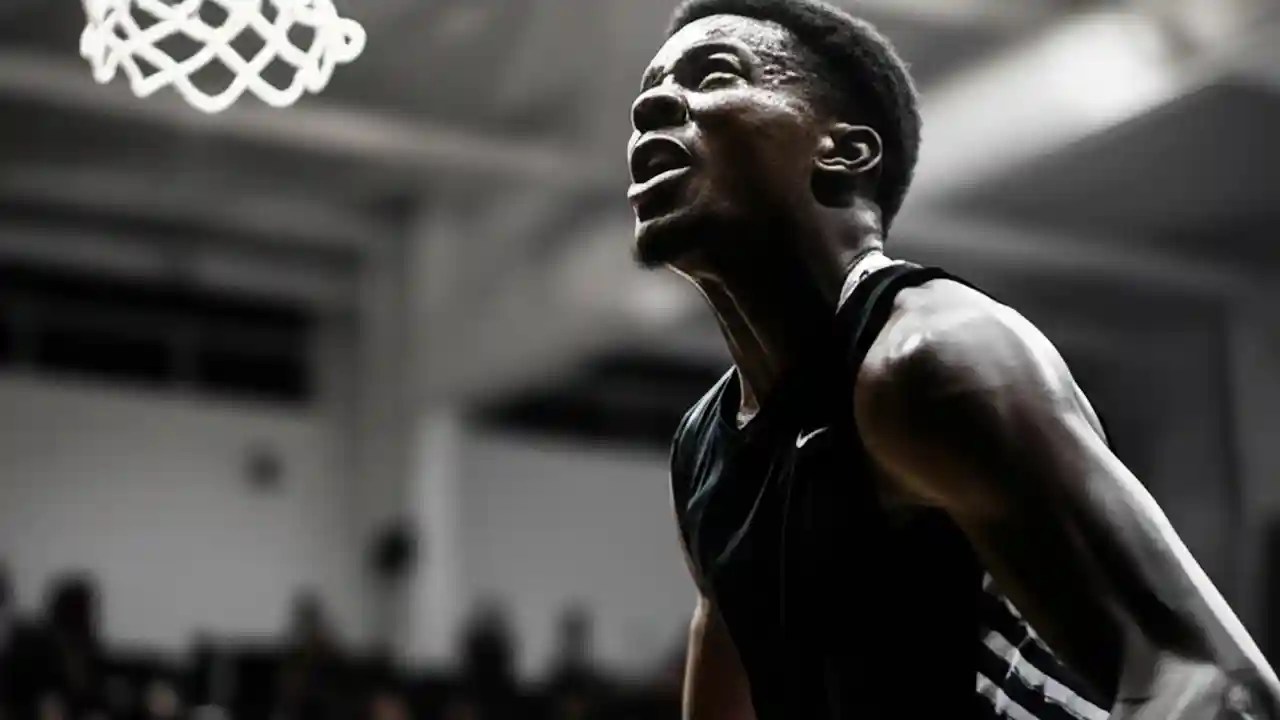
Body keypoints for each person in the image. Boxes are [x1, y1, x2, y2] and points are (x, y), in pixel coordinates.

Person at [626, 0, 1280, 718]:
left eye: (714, 74)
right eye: (652, 89)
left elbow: (1216, 686)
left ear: (844, 151)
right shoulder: (705, 451)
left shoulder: (927, 362)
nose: (655, 102)